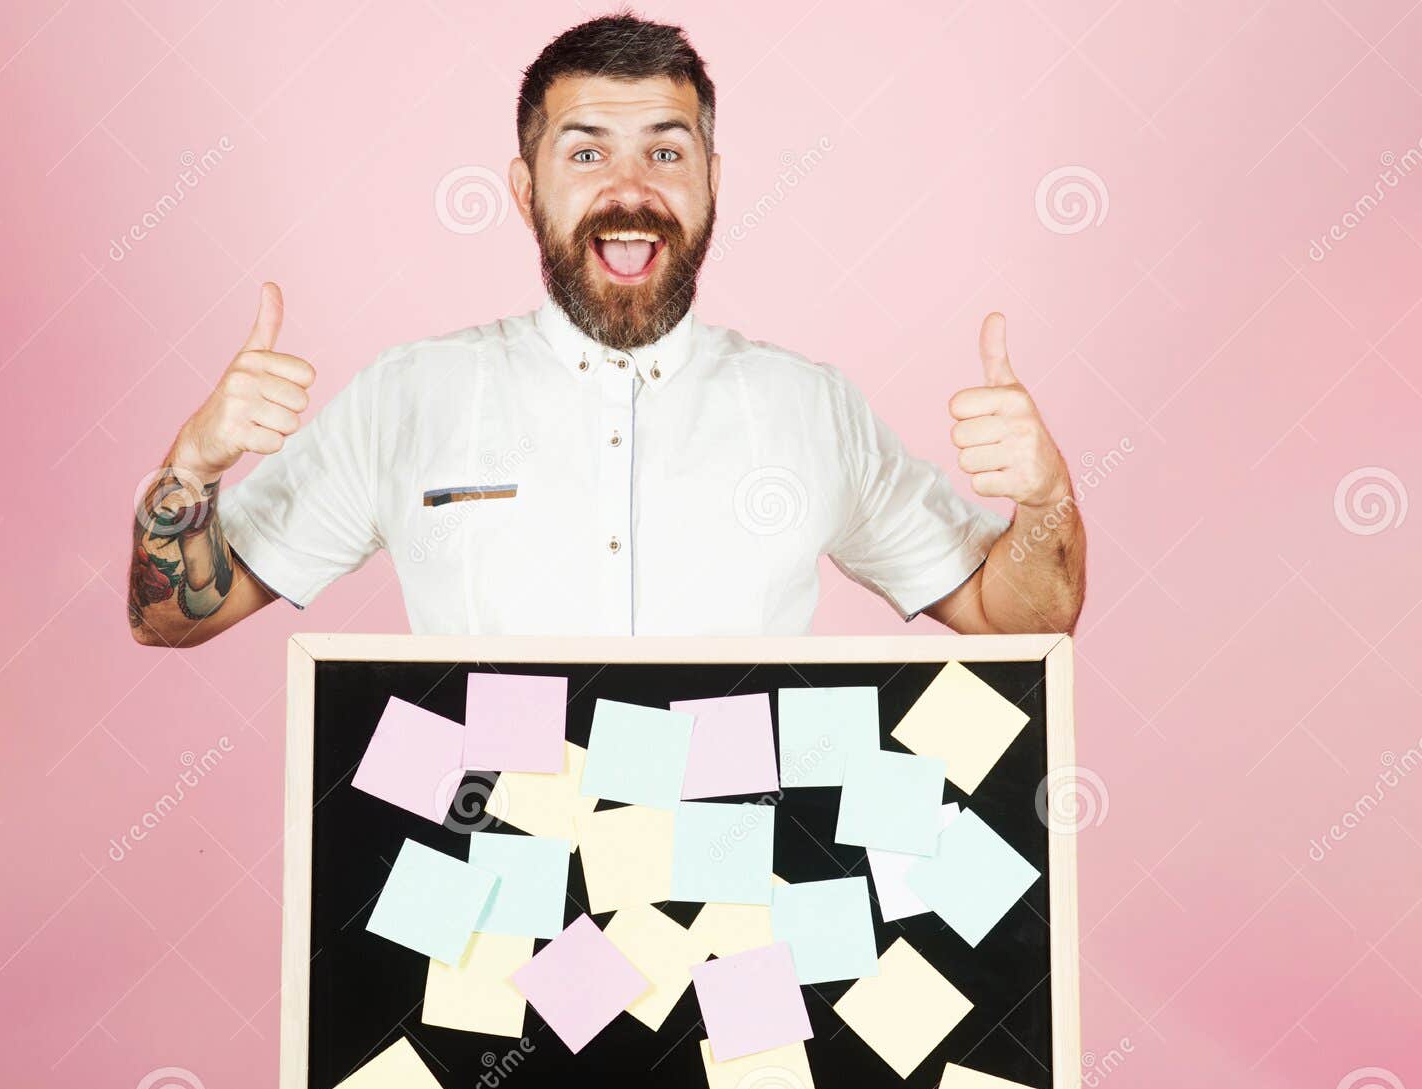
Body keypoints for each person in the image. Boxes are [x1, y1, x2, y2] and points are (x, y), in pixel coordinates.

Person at [127, 12, 1085, 647]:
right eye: (586, 152)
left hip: (737, 914)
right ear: (523, 188)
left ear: (714, 181)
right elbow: (172, 620)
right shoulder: (406, 399)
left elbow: (1014, 619)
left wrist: (1044, 497)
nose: (630, 191)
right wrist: (192, 472)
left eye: (666, 152)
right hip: (480, 906)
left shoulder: (811, 409)